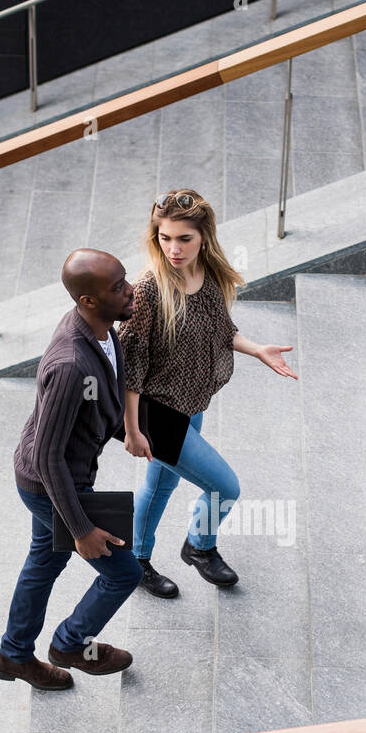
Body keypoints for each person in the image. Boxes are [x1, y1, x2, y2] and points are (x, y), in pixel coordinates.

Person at [117, 188, 298, 598]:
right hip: (157, 414)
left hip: (192, 403)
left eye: (184, 239)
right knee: (224, 487)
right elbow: (130, 365)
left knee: (160, 487)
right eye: (165, 238)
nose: (174, 249)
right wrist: (132, 428)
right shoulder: (148, 290)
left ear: (204, 237)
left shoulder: (208, 275)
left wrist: (257, 350)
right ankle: (199, 546)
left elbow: (219, 328)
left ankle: (137, 562)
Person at [0, 249, 143, 689]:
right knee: (123, 573)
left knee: (44, 561)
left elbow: (103, 402)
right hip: (49, 486)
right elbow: (46, 457)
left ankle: (13, 655)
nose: (130, 290)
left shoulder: (100, 328)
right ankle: (71, 644)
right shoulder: (72, 365)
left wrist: (135, 431)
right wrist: (80, 528)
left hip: (56, 479)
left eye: (124, 279)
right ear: (88, 301)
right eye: (118, 287)